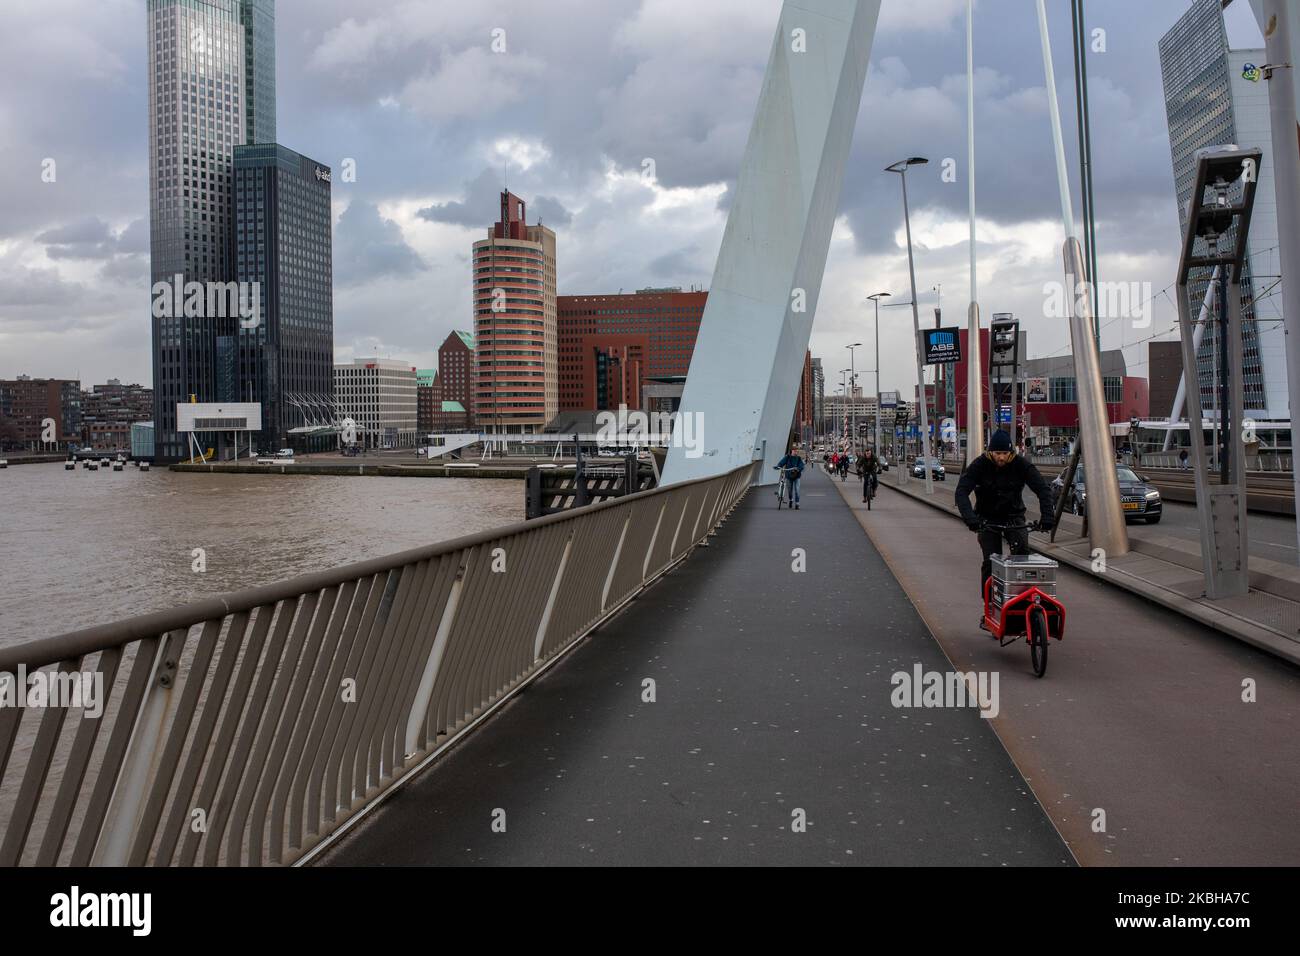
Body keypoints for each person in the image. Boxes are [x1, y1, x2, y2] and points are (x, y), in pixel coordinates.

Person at [955, 430, 1055, 629]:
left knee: (1022, 557)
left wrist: (1047, 518)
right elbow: (961, 492)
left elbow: (1043, 489)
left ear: (1011, 453)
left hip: (1013, 516)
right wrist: (971, 519)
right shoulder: (979, 465)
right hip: (987, 518)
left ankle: (1022, 602)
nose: (1001, 457)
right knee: (991, 561)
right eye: (997, 453)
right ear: (990, 452)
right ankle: (989, 606)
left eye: (1004, 453)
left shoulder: (1021, 464)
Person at [775, 444, 805, 509]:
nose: (796, 452)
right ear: (791, 451)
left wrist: (798, 469)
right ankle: (791, 500)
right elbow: (781, 462)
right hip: (788, 476)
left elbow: (802, 466)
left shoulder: (799, 458)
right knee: (790, 491)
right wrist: (778, 466)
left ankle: (797, 504)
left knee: (797, 490)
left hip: (797, 476)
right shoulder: (787, 457)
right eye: (794, 451)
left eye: (797, 451)